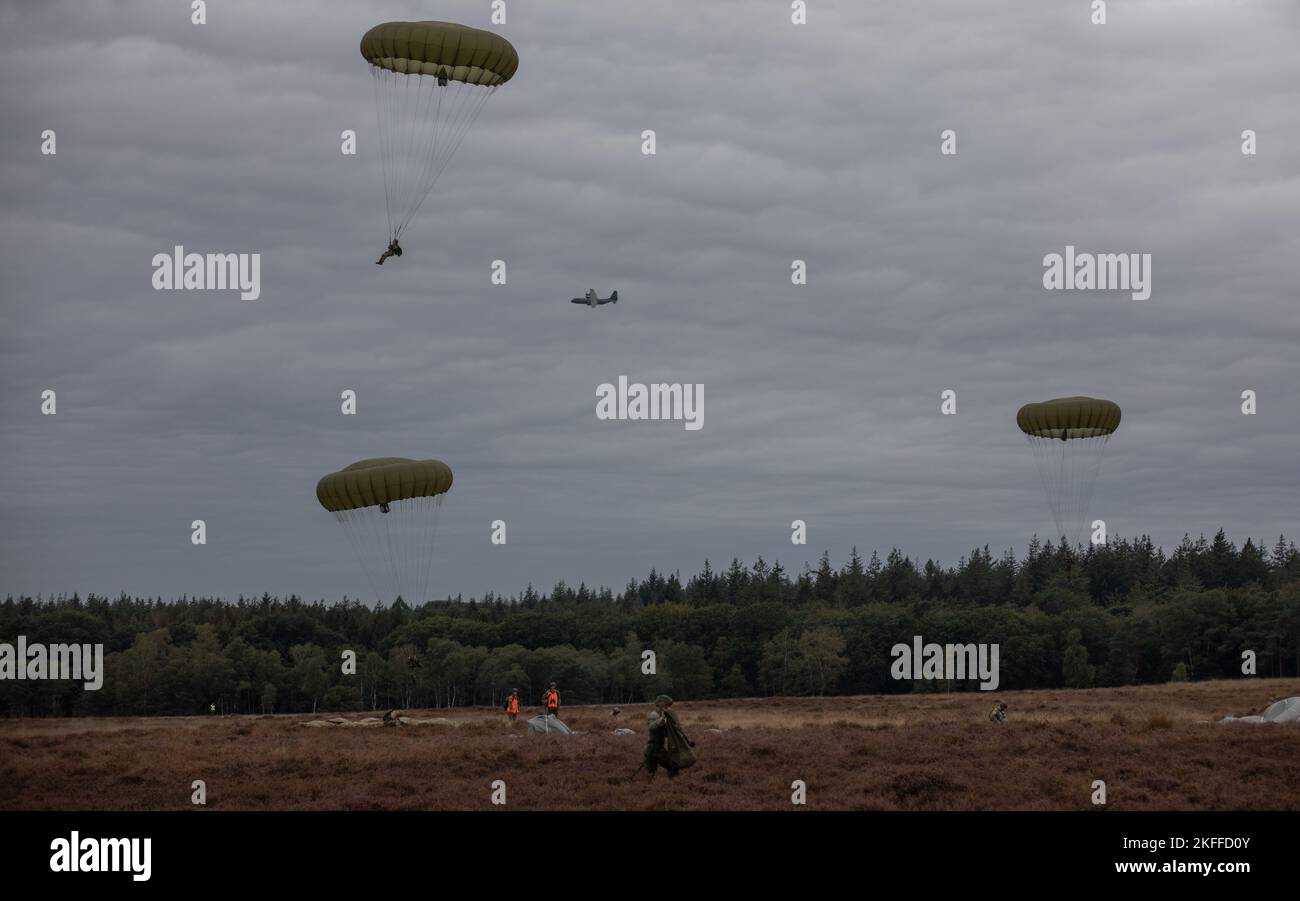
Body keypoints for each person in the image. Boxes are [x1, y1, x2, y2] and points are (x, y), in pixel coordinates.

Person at [643, 694, 695, 780]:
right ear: (661, 706)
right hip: (653, 748)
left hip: (657, 748)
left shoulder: (665, 715)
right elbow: (651, 727)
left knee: (650, 772)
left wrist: (685, 741)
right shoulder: (654, 715)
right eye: (667, 706)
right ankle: (673, 785)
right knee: (671, 766)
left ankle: (668, 786)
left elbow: (671, 733)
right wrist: (661, 720)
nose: (669, 708)